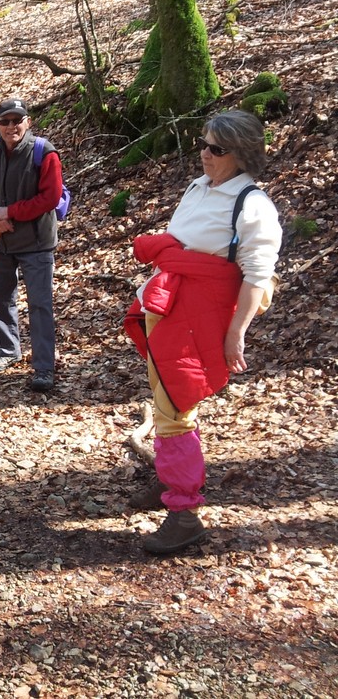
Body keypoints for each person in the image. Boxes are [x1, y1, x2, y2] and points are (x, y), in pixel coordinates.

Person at [124, 110, 281, 554]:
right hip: (169, 306)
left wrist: (236, 334)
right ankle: (169, 479)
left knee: (176, 406)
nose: (205, 154)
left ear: (242, 155)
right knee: (166, 397)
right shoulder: (200, 187)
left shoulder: (252, 205)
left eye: (216, 149)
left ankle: (184, 512)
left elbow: (256, 277)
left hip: (200, 317)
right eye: (203, 143)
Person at [0, 98, 63, 392]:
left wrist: (10, 212)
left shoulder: (43, 153)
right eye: (5, 122)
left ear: (28, 122)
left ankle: (44, 367)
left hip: (36, 241)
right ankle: (8, 351)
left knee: (40, 304)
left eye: (16, 120)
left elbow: (50, 198)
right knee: (1, 298)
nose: (11, 126)